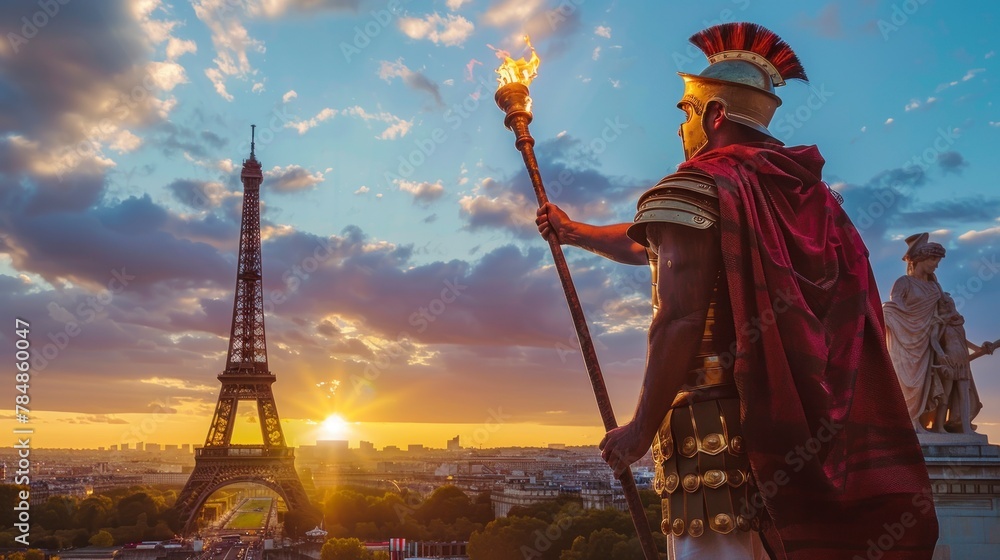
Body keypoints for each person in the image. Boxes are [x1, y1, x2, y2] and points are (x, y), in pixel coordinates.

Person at [536, 22, 938, 560]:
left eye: (685, 112)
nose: (680, 128)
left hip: (712, 431)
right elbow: (652, 247)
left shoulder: (697, 186)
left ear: (715, 114)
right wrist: (574, 231)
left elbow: (677, 318)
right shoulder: (814, 203)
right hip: (796, 432)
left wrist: (641, 426)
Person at [882, 233, 947, 431]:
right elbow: (894, 308)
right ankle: (900, 423)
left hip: (925, 341)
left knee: (920, 384)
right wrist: (905, 321)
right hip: (903, 339)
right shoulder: (904, 282)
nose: (936, 265)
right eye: (933, 259)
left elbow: (943, 315)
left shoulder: (935, 288)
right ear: (920, 259)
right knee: (902, 381)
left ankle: (915, 422)